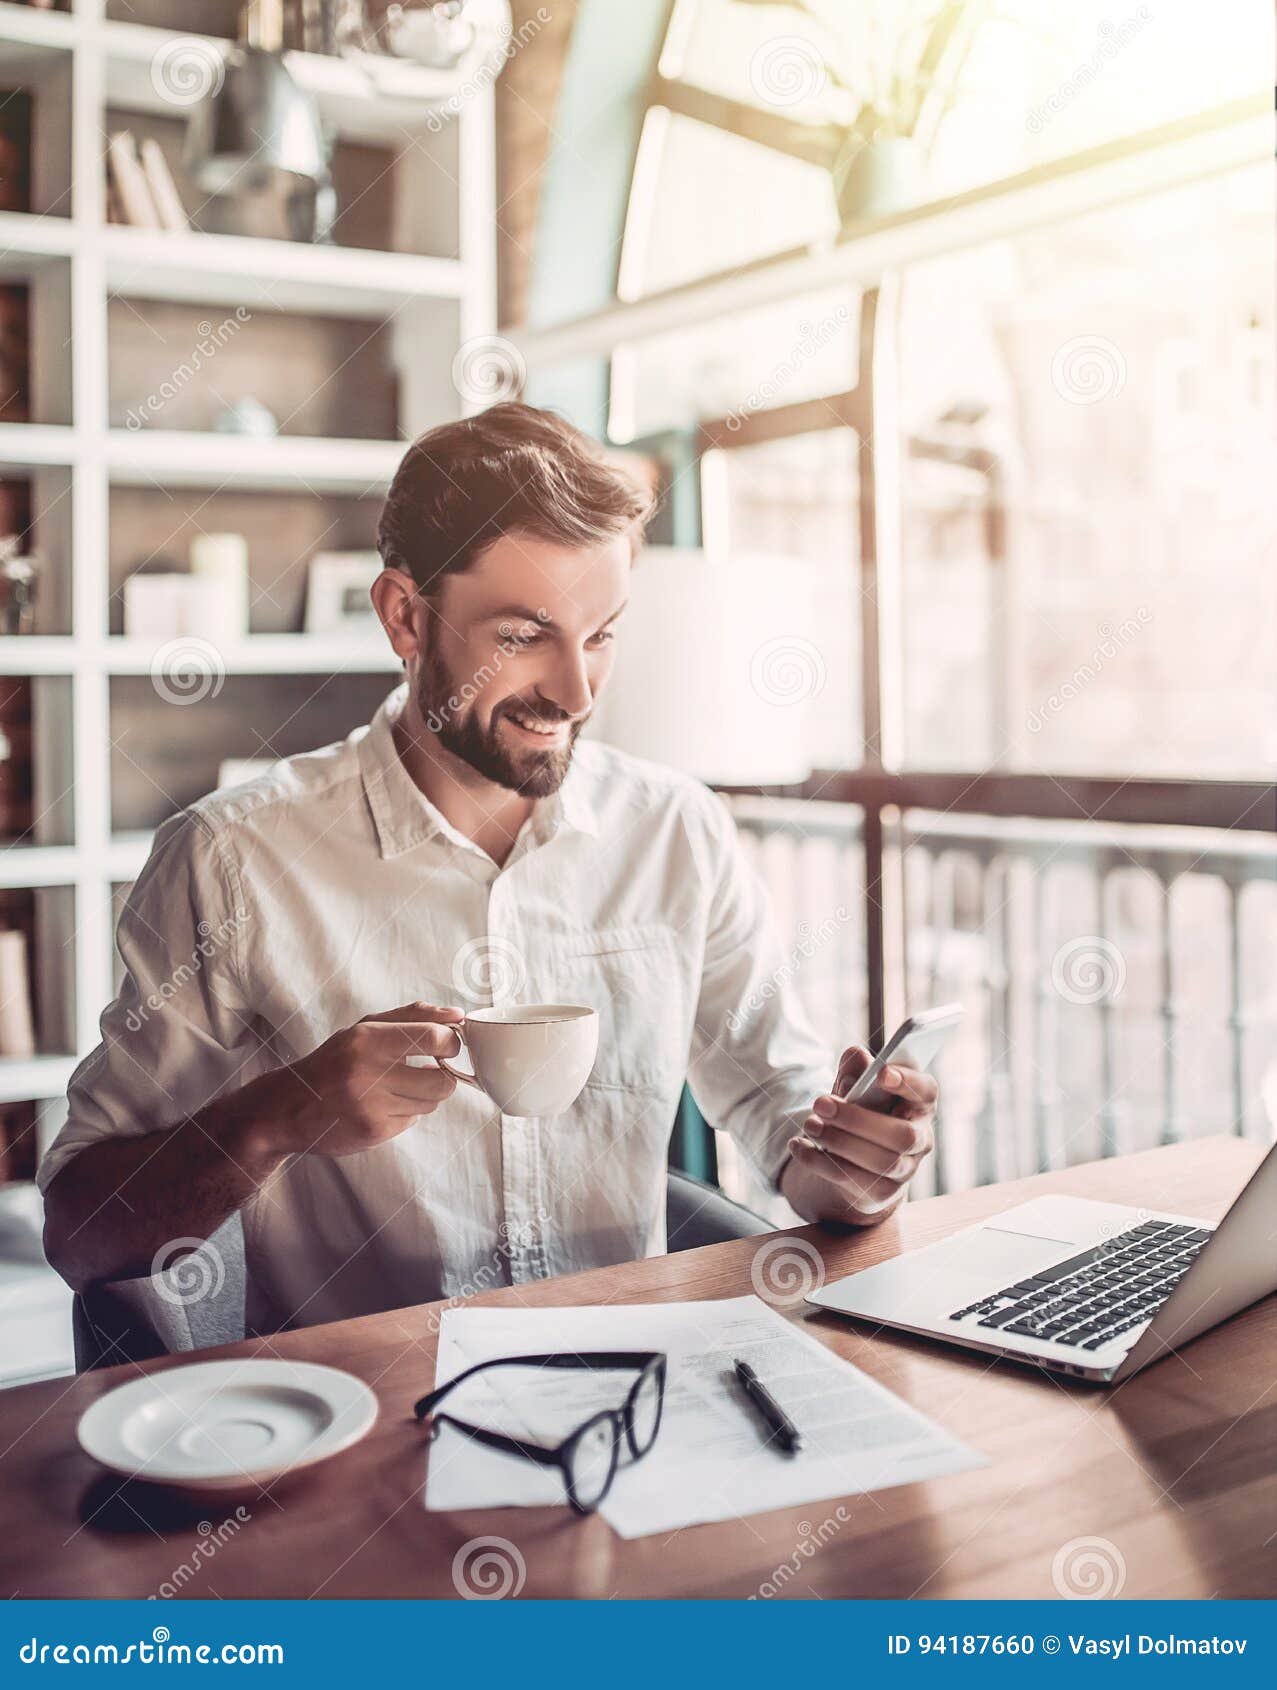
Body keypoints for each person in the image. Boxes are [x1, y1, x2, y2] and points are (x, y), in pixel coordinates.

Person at [41, 403, 937, 1331]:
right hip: (376, 1408)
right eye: (521, 636)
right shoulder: (232, 859)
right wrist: (279, 1115)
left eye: (600, 634)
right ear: (404, 616)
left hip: (638, 1383)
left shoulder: (677, 832)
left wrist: (857, 1166)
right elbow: (80, 1233)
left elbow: (786, 1123)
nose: (575, 692)